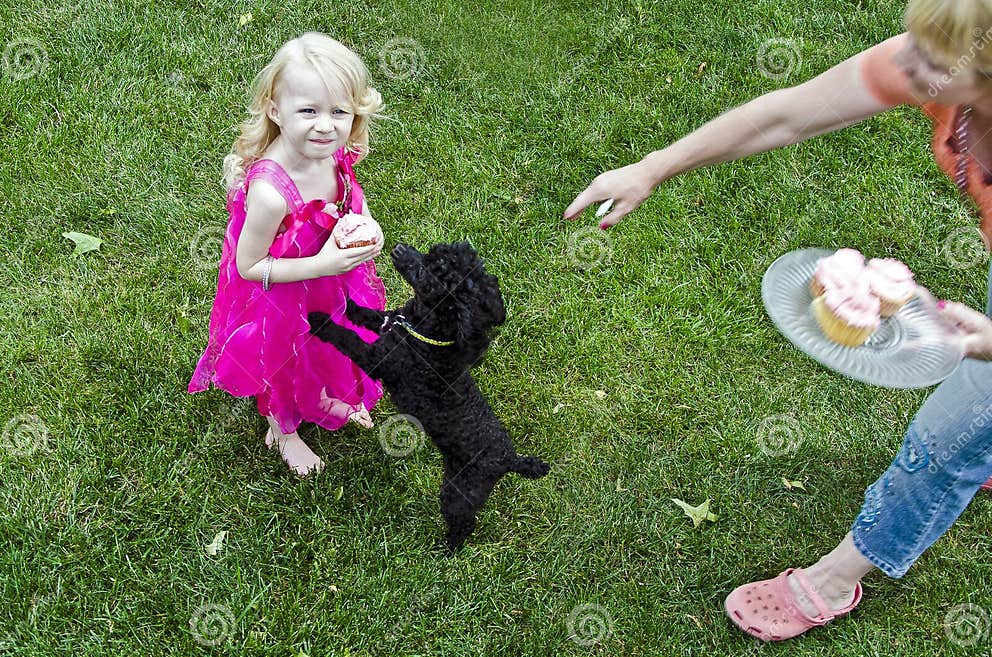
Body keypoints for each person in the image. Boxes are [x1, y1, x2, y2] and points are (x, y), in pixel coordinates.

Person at [567, 0, 992, 642]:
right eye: (915, 37)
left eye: (931, 57)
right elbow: (789, 113)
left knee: (949, 436)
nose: (907, 63)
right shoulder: (937, 64)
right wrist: (653, 167)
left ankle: (833, 579)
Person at [188, 33, 387, 477]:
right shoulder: (270, 193)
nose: (325, 125)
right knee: (287, 357)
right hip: (280, 293)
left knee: (331, 343)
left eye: (339, 111)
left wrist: (365, 224)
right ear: (276, 111)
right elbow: (250, 265)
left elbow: (352, 195)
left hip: (331, 279)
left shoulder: (334, 152)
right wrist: (324, 264)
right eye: (308, 111)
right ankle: (283, 429)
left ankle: (326, 397)